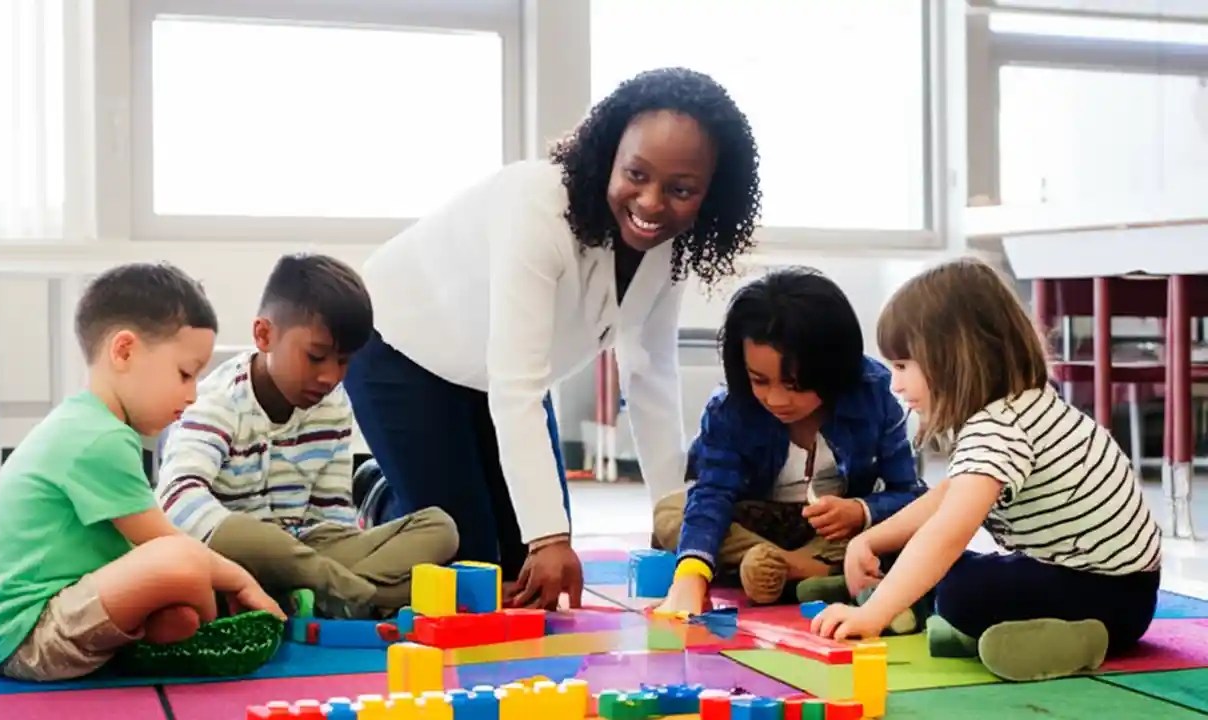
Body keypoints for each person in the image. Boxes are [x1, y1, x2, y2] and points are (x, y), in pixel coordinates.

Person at [343, 67, 763, 609]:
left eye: (682, 189)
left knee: (527, 574)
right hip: (403, 349)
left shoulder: (670, 248)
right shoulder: (537, 203)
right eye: (636, 174)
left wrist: (673, 522)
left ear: (712, 194)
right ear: (609, 153)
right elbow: (518, 386)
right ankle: (382, 493)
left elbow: (652, 373)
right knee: (472, 567)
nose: (652, 202)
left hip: (499, 374)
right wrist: (550, 537)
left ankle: (433, 490)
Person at [812, 257, 1162, 683]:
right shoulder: (1021, 405)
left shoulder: (1000, 427)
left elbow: (949, 532)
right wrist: (870, 539)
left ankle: (1085, 639)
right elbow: (946, 499)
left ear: (953, 359)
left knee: (960, 590)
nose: (895, 385)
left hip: (1107, 599)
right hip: (1118, 588)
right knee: (924, 553)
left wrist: (871, 615)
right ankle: (909, 602)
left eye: (903, 366)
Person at [0, 263, 285, 682]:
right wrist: (241, 581)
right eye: (185, 373)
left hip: (27, 622)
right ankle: (190, 632)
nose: (193, 393)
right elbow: (167, 545)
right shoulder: (98, 438)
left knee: (180, 606)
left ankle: (154, 637)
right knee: (180, 561)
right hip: (27, 634)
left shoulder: (87, 422)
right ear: (124, 351)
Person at [157, 254, 458, 620]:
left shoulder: (332, 406)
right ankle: (350, 595)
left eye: (344, 361)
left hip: (307, 548)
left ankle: (315, 597)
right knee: (266, 544)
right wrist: (289, 557)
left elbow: (330, 513)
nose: (330, 376)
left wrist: (322, 556)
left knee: (440, 529)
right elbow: (176, 499)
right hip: (231, 556)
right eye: (316, 357)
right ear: (264, 335)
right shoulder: (215, 403)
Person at [653, 267, 925, 615]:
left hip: (830, 529)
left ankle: (787, 570)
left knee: (917, 526)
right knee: (671, 512)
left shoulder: (874, 392)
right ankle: (802, 571)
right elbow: (712, 495)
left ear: (834, 369)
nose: (777, 399)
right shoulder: (730, 409)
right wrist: (690, 576)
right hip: (755, 523)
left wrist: (861, 511)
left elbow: (910, 494)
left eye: (795, 384)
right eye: (759, 380)